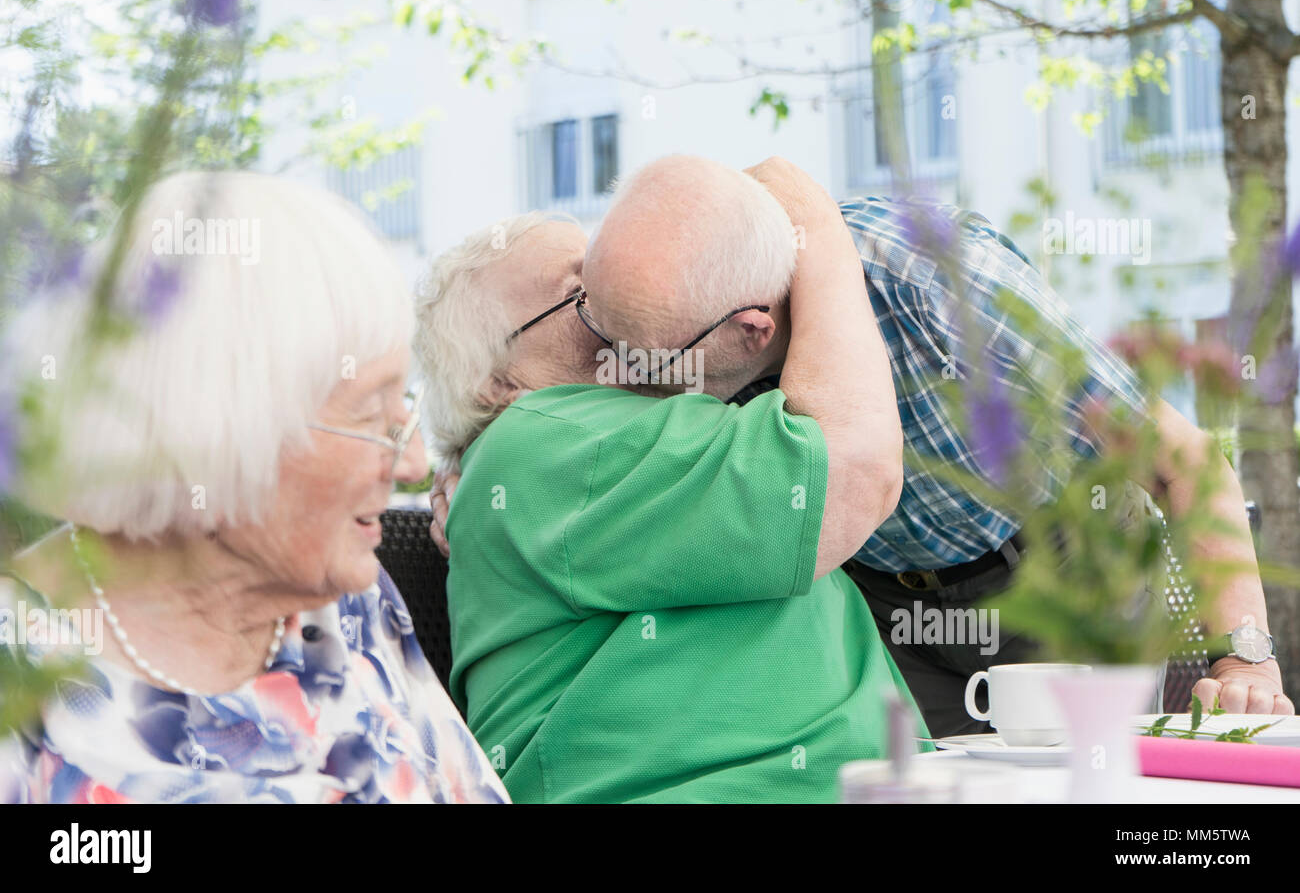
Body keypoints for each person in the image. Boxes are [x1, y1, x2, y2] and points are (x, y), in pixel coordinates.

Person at [576, 154, 1293, 737]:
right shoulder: (669, 304)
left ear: (752, 329)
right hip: (886, 606)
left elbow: (1185, 459)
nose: (632, 382)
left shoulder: (941, 285)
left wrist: (1247, 659)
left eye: (657, 368)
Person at [414, 159, 926, 803]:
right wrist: (814, 225)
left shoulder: (654, 420)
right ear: (499, 383)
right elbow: (853, 471)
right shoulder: (540, 436)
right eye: (581, 297)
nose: (619, 303)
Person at [0, 171, 508, 803]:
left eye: (404, 406)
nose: (412, 465)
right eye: (371, 418)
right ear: (217, 432)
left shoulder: (349, 603)